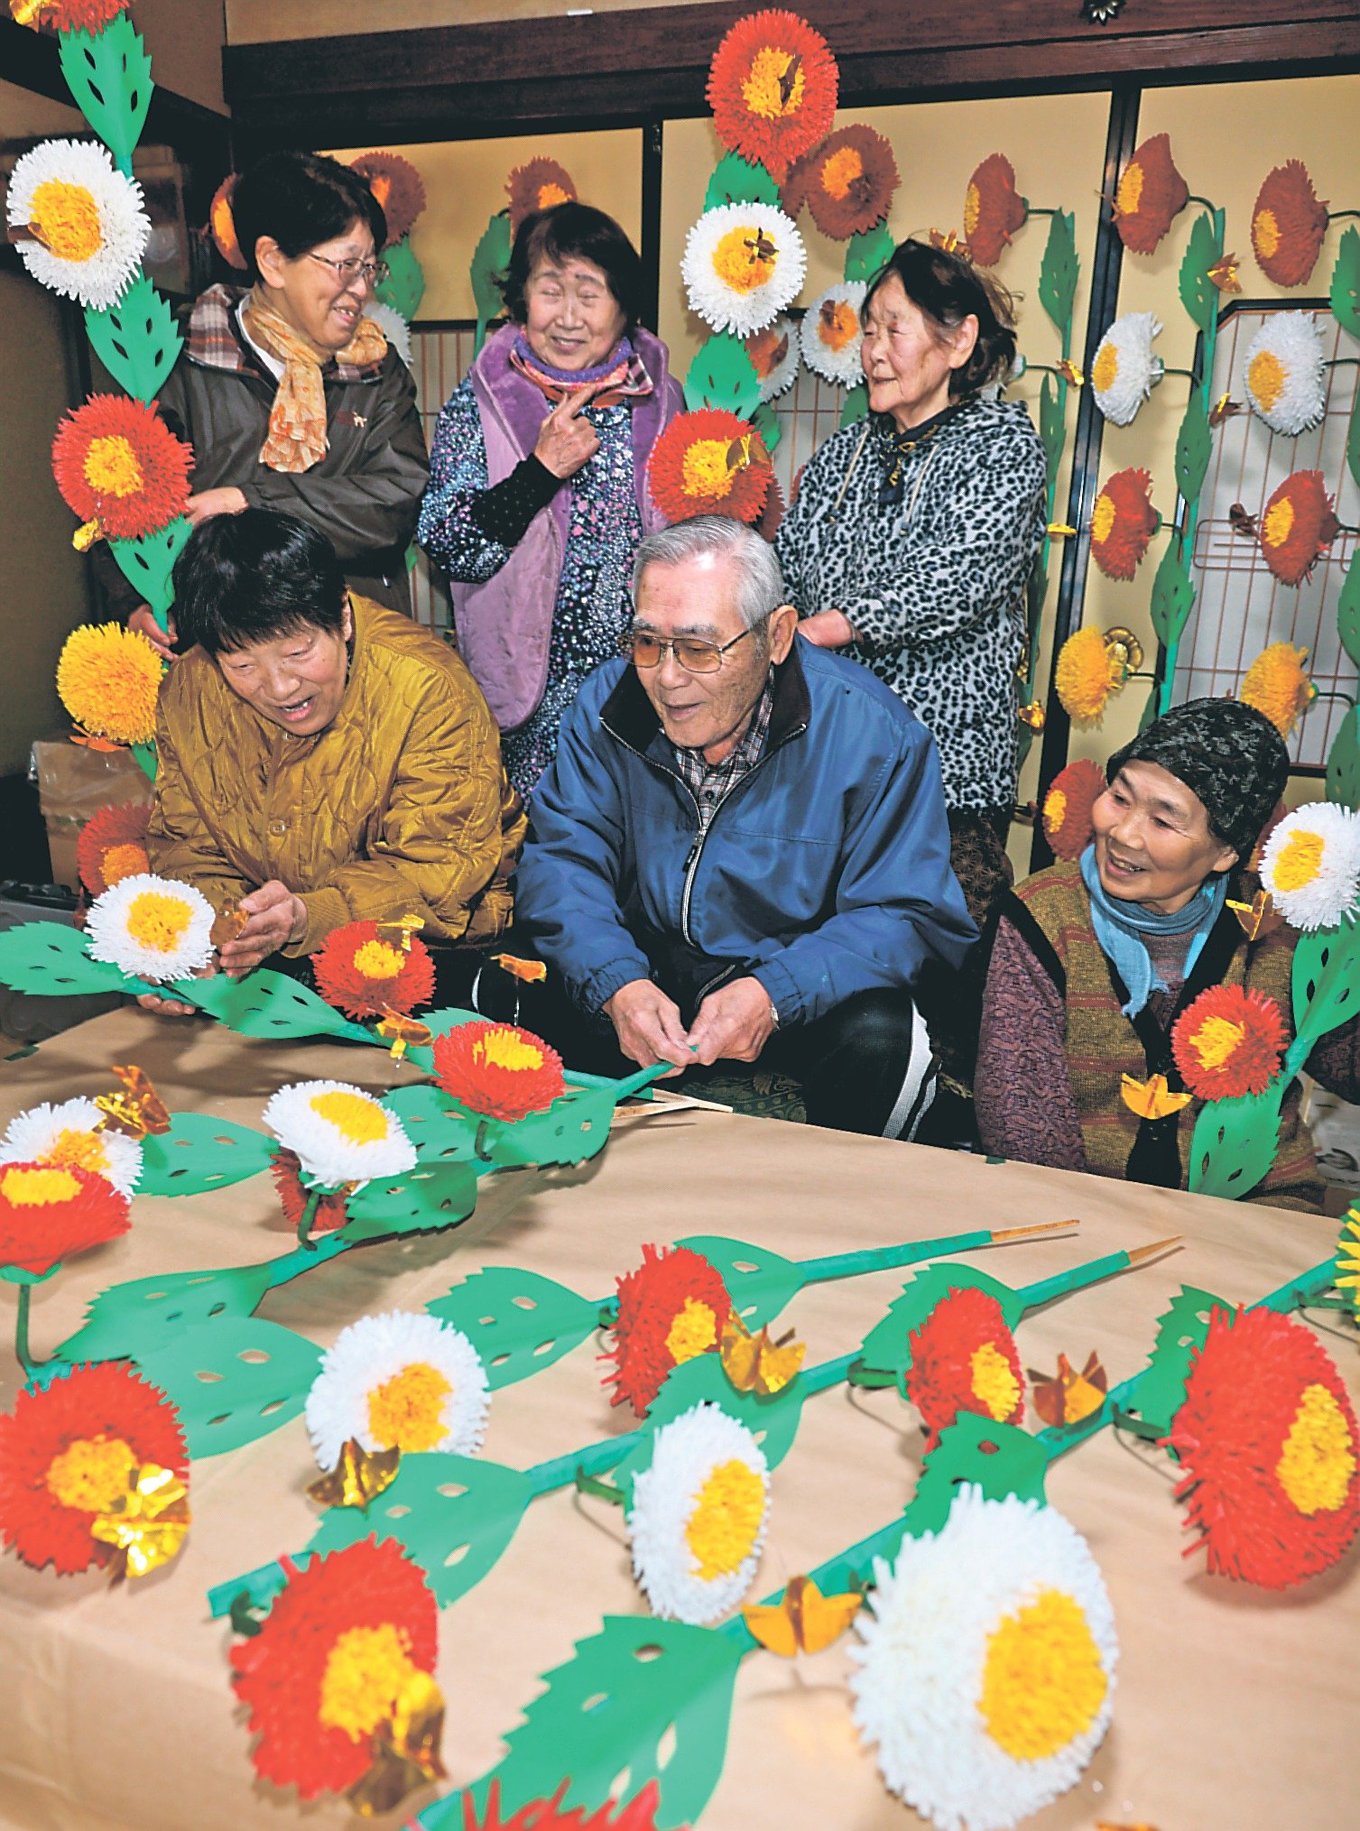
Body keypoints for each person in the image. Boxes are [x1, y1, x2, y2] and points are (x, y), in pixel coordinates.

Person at [513, 516, 977, 1139]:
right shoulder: (606, 703)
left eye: (699, 649)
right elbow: (562, 861)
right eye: (648, 643)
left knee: (879, 1034)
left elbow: (907, 912)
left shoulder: (873, 733)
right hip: (645, 965)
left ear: (777, 635)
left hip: (796, 978)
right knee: (513, 991)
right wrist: (615, 982)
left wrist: (776, 992)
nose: (668, 678)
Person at [975, 699, 1360, 1209]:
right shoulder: (1041, 918)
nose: (1123, 833)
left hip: (1255, 1203)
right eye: (1119, 797)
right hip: (1077, 1203)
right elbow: (1021, 1125)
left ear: (1227, 851)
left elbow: (1348, 1067)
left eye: (1163, 821)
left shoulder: (1277, 929)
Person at [774, 237, 1047, 941]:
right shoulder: (846, 449)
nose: (873, 349)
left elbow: (959, 576)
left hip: (944, 772)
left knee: (933, 961)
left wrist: (825, 628)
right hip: (833, 762)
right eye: (868, 331)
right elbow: (791, 560)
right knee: (834, 959)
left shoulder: (1002, 443)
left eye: (893, 328)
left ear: (959, 342)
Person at [144, 509, 523, 1007]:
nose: (280, 687)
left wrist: (309, 915)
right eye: (242, 664)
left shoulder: (428, 689)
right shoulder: (190, 689)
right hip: (272, 957)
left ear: (342, 618)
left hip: (431, 960)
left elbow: (440, 875)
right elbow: (186, 846)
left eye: (298, 652)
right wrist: (221, 937)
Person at [418, 200, 684, 799]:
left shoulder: (659, 399)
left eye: (589, 294)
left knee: (635, 859)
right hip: (528, 697)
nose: (567, 317)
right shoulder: (480, 403)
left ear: (623, 308)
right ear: (521, 299)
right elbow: (449, 544)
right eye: (549, 290)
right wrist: (539, 472)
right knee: (541, 864)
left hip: (640, 690)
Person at [122, 150, 427, 655]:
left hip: (355, 655)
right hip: (223, 658)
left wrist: (248, 501)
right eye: (345, 265)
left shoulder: (377, 367)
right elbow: (119, 502)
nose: (362, 289)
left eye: (370, 268)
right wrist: (132, 604)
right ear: (271, 261)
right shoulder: (175, 358)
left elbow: (396, 503)